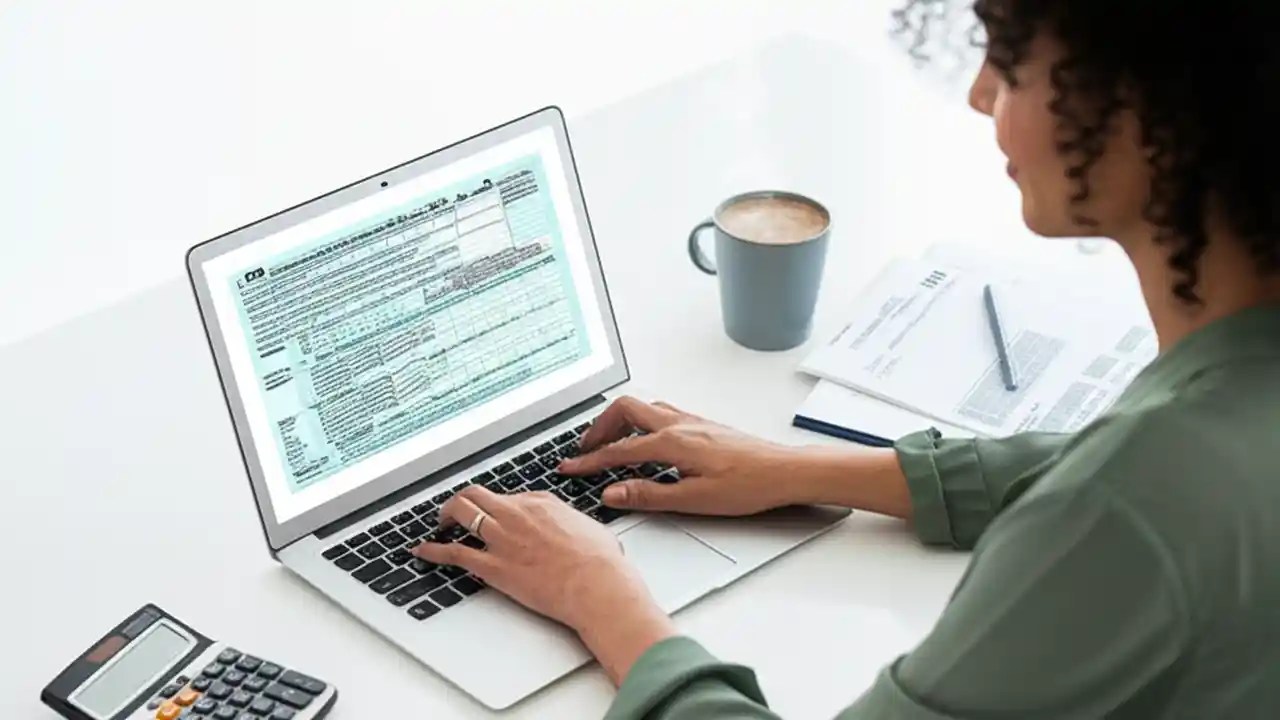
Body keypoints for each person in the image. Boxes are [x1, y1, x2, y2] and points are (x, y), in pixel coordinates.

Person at [413, 0, 1280, 716]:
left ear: (1153, 112)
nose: (980, 96)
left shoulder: (1127, 505)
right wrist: (807, 470)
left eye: (1012, 64)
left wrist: (598, 592)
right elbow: (1121, 480)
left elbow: (1122, 504)